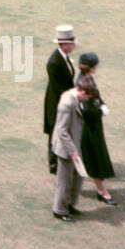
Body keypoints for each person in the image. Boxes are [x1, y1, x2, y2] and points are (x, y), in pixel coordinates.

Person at [76, 55, 117, 205]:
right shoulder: (82, 83)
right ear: (92, 67)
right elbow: (86, 112)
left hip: (94, 126)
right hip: (89, 129)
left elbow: (96, 96)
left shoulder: (87, 78)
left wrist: (102, 104)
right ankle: (102, 192)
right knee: (94, 160)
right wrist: (101, 111)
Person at [50, 76, 93, 221]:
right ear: (82, 92)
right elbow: (61, 131)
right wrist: (72, 151)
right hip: (66, 148)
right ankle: (59, 210)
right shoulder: (67, 103)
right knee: (64, 180)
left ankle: (69, 204)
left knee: (78, 176)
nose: (87, 99)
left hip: (74, 144)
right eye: (87, 97)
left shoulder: (75, 99)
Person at [44, 25, 78, 174]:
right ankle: (54, 164)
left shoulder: (64, 58)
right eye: (71, 43)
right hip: (56, 102)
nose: (74, 45)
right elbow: (59, 88)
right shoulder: (54, 62)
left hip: (64, 99)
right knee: (55, 130)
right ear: (64, 44)